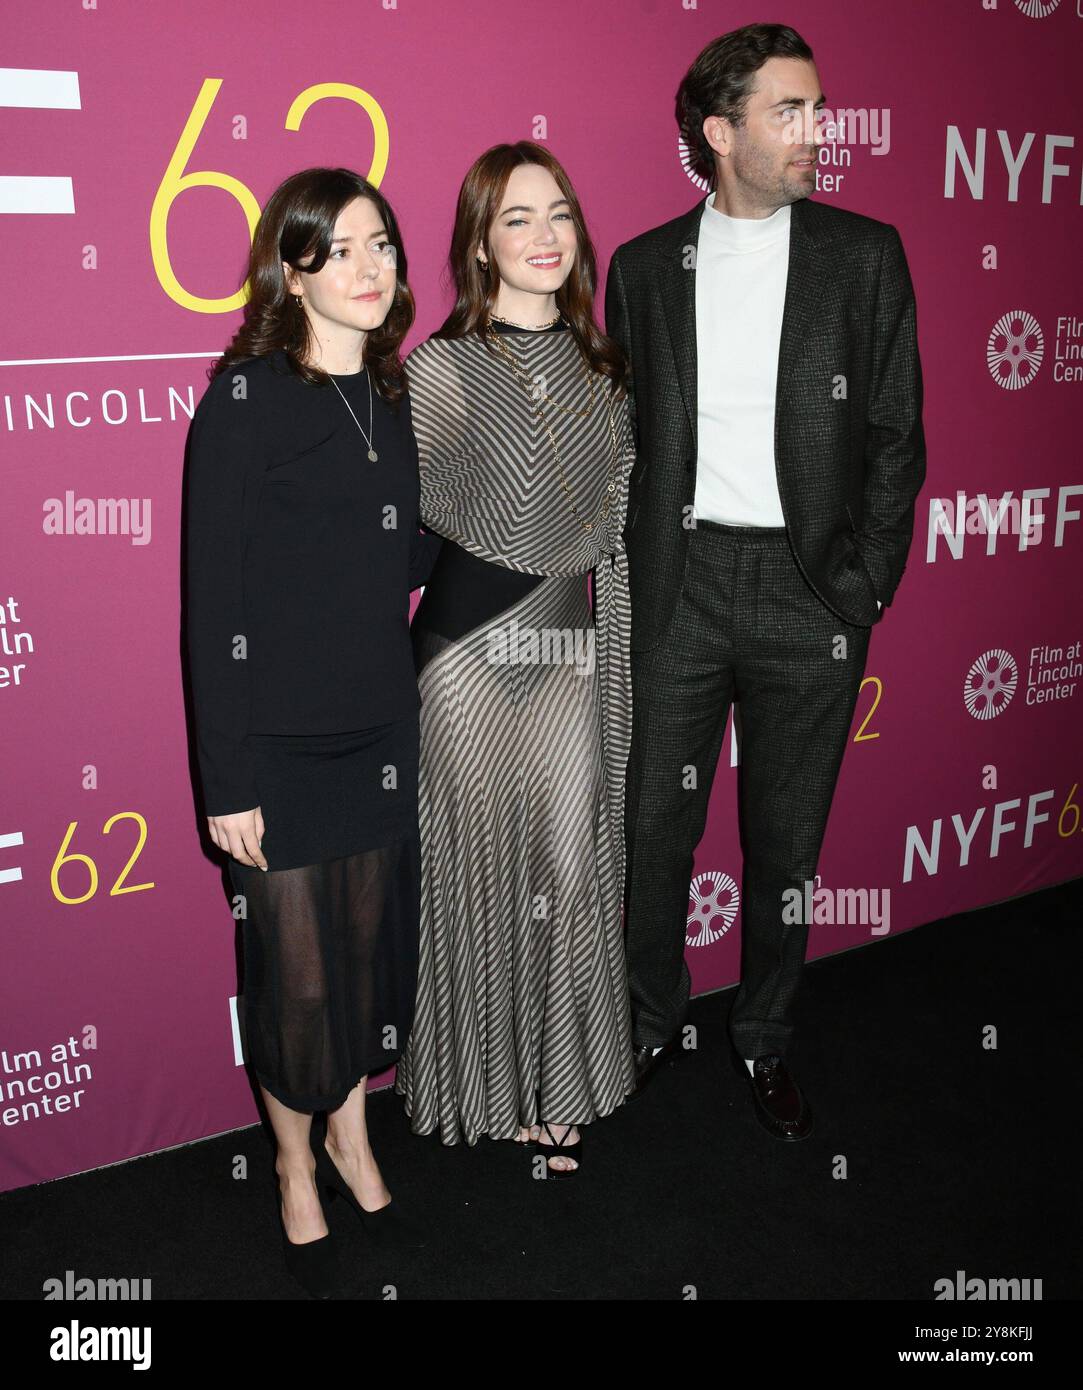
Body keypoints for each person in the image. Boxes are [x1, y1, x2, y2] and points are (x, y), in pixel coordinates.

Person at [605, 24, 925, 1138]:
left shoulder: (863, 252)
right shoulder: (644, 269)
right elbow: (630, 439)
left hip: (809, 593)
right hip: (680, 587)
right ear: (721, 131)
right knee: (654, 832)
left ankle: (768, 1035)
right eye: (788, 111)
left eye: (818, 108)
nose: (817, 130)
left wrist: (863, 583)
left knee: (787, 843)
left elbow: (895, 435)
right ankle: (646, 1022)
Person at [184, 167, 440, 1295]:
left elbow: (407, 566)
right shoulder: (245, 400)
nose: (369, 265)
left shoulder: (392, 398)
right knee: (295, 988)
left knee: (365, 968)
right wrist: (226, 778)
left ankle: (352, 1136)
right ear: (290, 272)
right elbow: (211, 607)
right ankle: (293, 1161)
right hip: (278, 754)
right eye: (337, 250)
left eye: (379, 242)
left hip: (380, 730)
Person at [393, 142, 637, 1175]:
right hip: (464, 663)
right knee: (472, 865)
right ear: (480, 246)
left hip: (567, 657)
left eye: (560, 215)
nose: (544, 237)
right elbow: (412, 526)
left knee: (570, 866)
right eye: (517, 220)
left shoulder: (609, 373)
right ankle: (487, 1089)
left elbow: (614, 521)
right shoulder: (442, 368)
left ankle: (555, 1078)